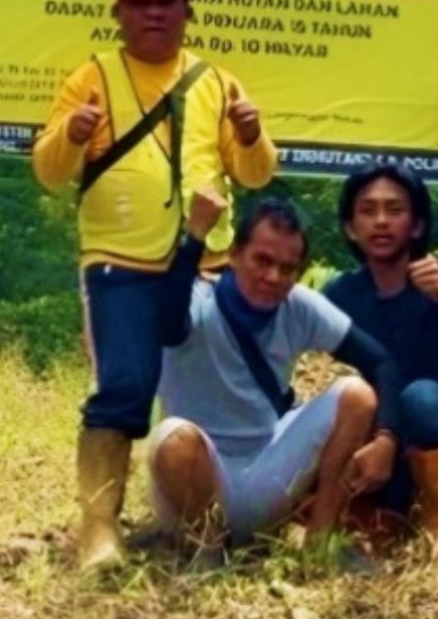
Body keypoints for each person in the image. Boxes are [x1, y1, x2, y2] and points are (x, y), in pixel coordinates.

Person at [30, 0, 280, 570]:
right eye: (139, 3)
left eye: (167, 2)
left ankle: (223, 518)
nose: (154, 14)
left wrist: (252, 133)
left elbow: (253, 175)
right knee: (124, 389)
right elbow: (48, 170)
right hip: (122, 266)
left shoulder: (216, 81)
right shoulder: (92, 77)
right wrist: (72, 134)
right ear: (118, 9)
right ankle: (99, 530)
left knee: (231, 393)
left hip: (209, 266)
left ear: (187, 7)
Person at [145, 193, 402, 566]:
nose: (272, 278)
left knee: (357, 395)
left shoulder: (297, 305)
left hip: (265, 473)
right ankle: (207, 551)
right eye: (262, 261)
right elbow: (166, 325)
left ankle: (320, 543)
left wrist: (387, 440)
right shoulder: (197, 300)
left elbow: (381, 362)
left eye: (287, 268)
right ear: (234, 255)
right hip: (191, 479)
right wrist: (195, 234)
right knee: (173, 437)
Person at [321, 166, 438, 544]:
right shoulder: (340, 293)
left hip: (435, 435)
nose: (381, 221)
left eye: (394, 210)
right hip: (371, 442)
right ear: (350, 227)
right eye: (368, 210)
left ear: (416, 225)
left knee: (421, 398)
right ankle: (372, 511)